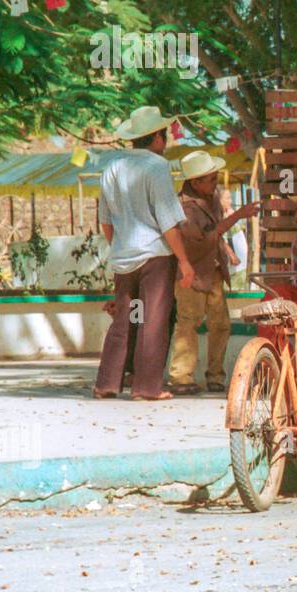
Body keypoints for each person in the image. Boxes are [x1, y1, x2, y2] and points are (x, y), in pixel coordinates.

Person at [92, 106, 195, 401]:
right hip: (155, 256)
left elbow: (105, 221)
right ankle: (147, 387)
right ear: (158, 138)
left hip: (124, 255)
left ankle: (106, 383)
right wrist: (185, 263)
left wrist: (121, 246)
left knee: (125, 318)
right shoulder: (157, 167)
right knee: (153, 319)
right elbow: (168, 223)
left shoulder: (112, 166)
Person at [166, 151, 259, 395]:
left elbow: (214, 234)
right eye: (210, 179)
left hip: (214, 270)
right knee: (188, 322)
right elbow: (202, 238)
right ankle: (180, 376)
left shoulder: (213, 197)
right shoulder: (183, 208)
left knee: (221, 324)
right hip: (191, 273)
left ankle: (216, 376)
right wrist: (239, 215)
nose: (215, 183)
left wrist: (226, 252)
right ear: (195, 182)